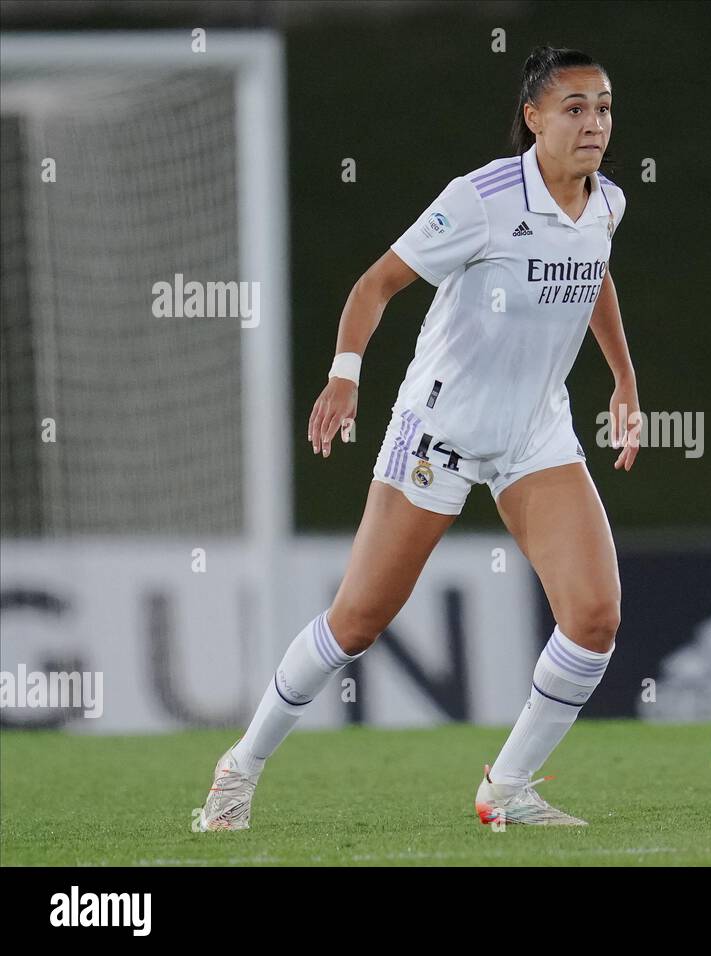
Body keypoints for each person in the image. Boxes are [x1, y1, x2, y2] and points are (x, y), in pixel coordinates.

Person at [201, 45, 639, 828]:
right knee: (356, 622)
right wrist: (345, 374)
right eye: (574, 108)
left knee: (595, 617)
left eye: (603, 106)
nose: (593, 123)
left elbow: (594, 271)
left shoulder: (606, 202)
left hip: (535, 431)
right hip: (441, 427)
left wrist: (624, 383)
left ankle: (506, 789)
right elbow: (378, 283)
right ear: (533, 119)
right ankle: (241, 766)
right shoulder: (480, 199)